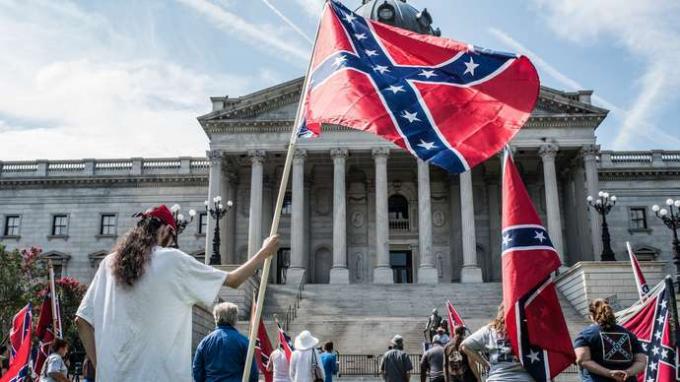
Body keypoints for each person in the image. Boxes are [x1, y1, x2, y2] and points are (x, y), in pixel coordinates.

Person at [75, 204, 279, 381]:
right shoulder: (173, 261)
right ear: (165, 230)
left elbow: (82, 321)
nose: (172, 242)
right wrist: (264, 253)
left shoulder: (108, 264)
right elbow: (234, 280)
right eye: (173, 235)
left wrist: (101, 367)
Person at [574, 299, 646, 382]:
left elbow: (582, 360)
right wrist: (627, 372)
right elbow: (641, 361)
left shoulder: (586, 334)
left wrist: (609, 373)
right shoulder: (629, 334)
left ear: (591, 316)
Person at [461, 305, 534, 382]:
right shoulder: (531, 329)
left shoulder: (489, 330)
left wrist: (485, 364)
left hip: (497, 378)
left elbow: (465, 346)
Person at [192, 302, 257, 382]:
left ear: (216, 317)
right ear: (234, 319)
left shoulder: (204, 342)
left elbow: (197, 370)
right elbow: (252, 373)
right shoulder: (244, 342)